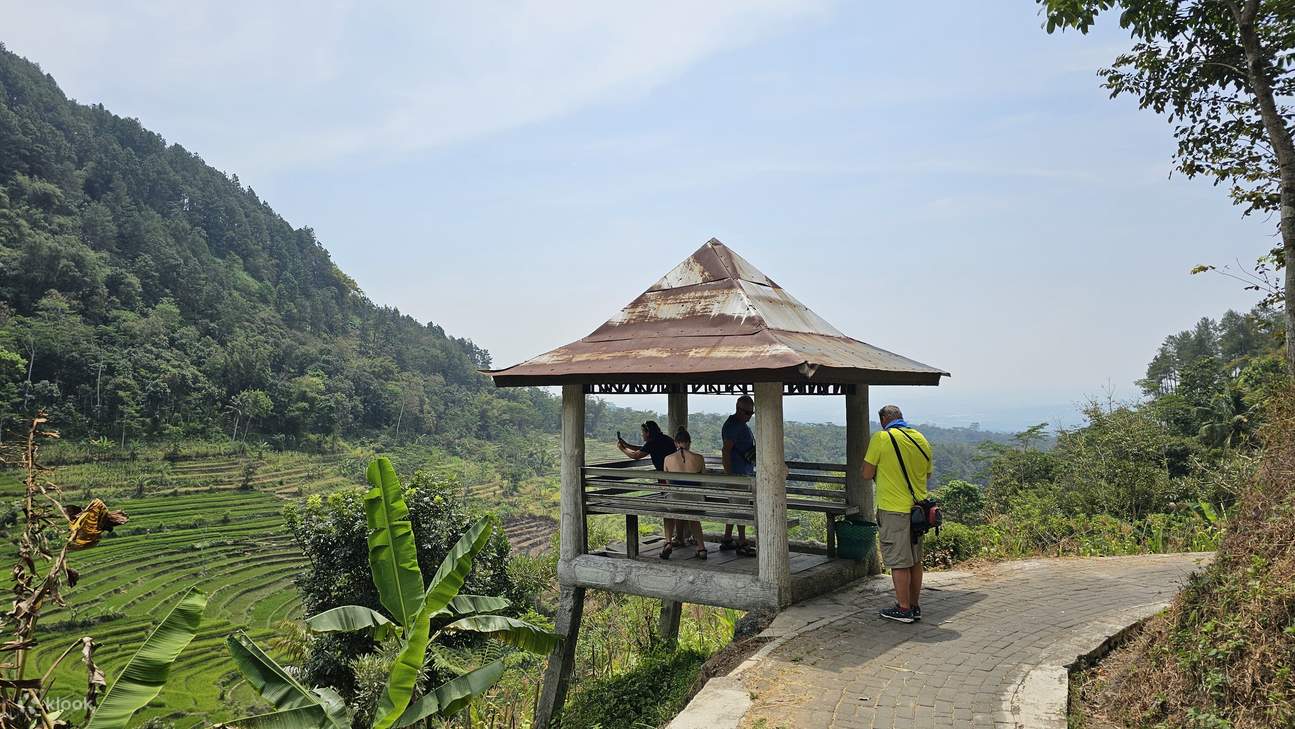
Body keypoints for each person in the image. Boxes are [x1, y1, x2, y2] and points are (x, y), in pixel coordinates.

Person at [862, 405, 933, 624]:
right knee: (914, 560)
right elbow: (927, 474)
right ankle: (914, 605)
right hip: (918, 511)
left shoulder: (881, 438)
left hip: (894, 509)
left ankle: (903, 610)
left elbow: (866, 473)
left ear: (884, 420)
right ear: (901, 417)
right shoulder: (920, 438)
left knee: (899, 562)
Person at [617, 421, 686, 547]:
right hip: (676, 477)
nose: (642, 435)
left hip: (665, 479)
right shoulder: (665, 439)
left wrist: (623, 449)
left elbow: (637, 455)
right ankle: (679, 537)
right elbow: (643, 448)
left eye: (643, 432)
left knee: (669, 507)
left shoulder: (653, 442)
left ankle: (670, 540)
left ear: (648, 432)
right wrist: (626, 444)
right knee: (678, 506)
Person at [662, 427, 708, 560]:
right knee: (694, 518)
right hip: (695, 499)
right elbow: (704, 481)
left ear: (676, 443)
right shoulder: (699, 458)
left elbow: (667, 481)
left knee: (668, 513)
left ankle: (668, 542)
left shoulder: (668, 459)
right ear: (689, 442)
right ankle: (701, 548)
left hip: (675, 498)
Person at [720, 395, 757, 557]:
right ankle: (742, 543)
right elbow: (726, 450)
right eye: (747, 413)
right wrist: (729, 475)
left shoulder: (738, 424)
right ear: (738, 408)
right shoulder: (734, 426)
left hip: (743, 472)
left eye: (751, 413)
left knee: (735, 506)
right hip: (738, 474)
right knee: (741, 508)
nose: (749, 416)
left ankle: (727, 538)